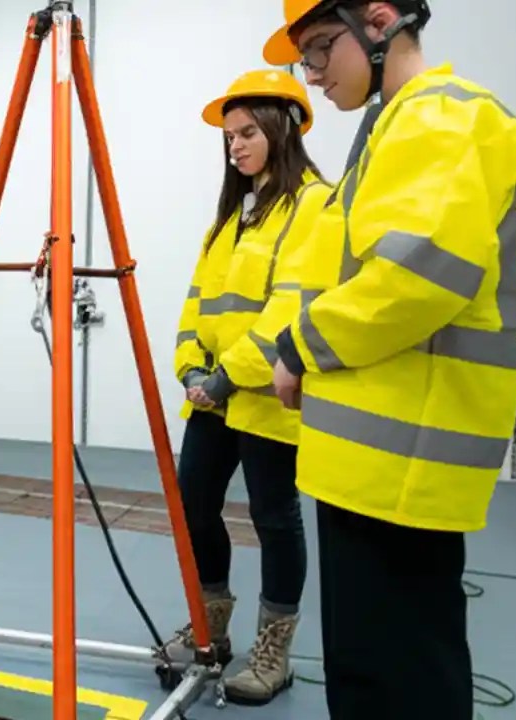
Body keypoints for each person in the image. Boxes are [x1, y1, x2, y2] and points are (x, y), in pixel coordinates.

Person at [261, 2, 516, 717]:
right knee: (369, 674)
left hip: (401, 466)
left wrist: (299, 345)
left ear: (378, 20)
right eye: (306, 59)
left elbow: (418, 275)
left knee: (400, 680)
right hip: (373, 464)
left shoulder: (442, 115)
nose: (314, 75)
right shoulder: (392, 129)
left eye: (321, 49)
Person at [168, 68, 332, 705]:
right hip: (213, 394)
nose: (235, 146)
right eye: (229, 137)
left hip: (265, 395)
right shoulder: (232, 216)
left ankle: (274, 654)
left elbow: (289, 307)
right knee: (194, 507)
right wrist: (190, 367)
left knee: (274, 520)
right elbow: (197, 302)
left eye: (247, 133)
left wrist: (226, 376)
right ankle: (211, 629)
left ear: (282, 129)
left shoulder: (312, 204)